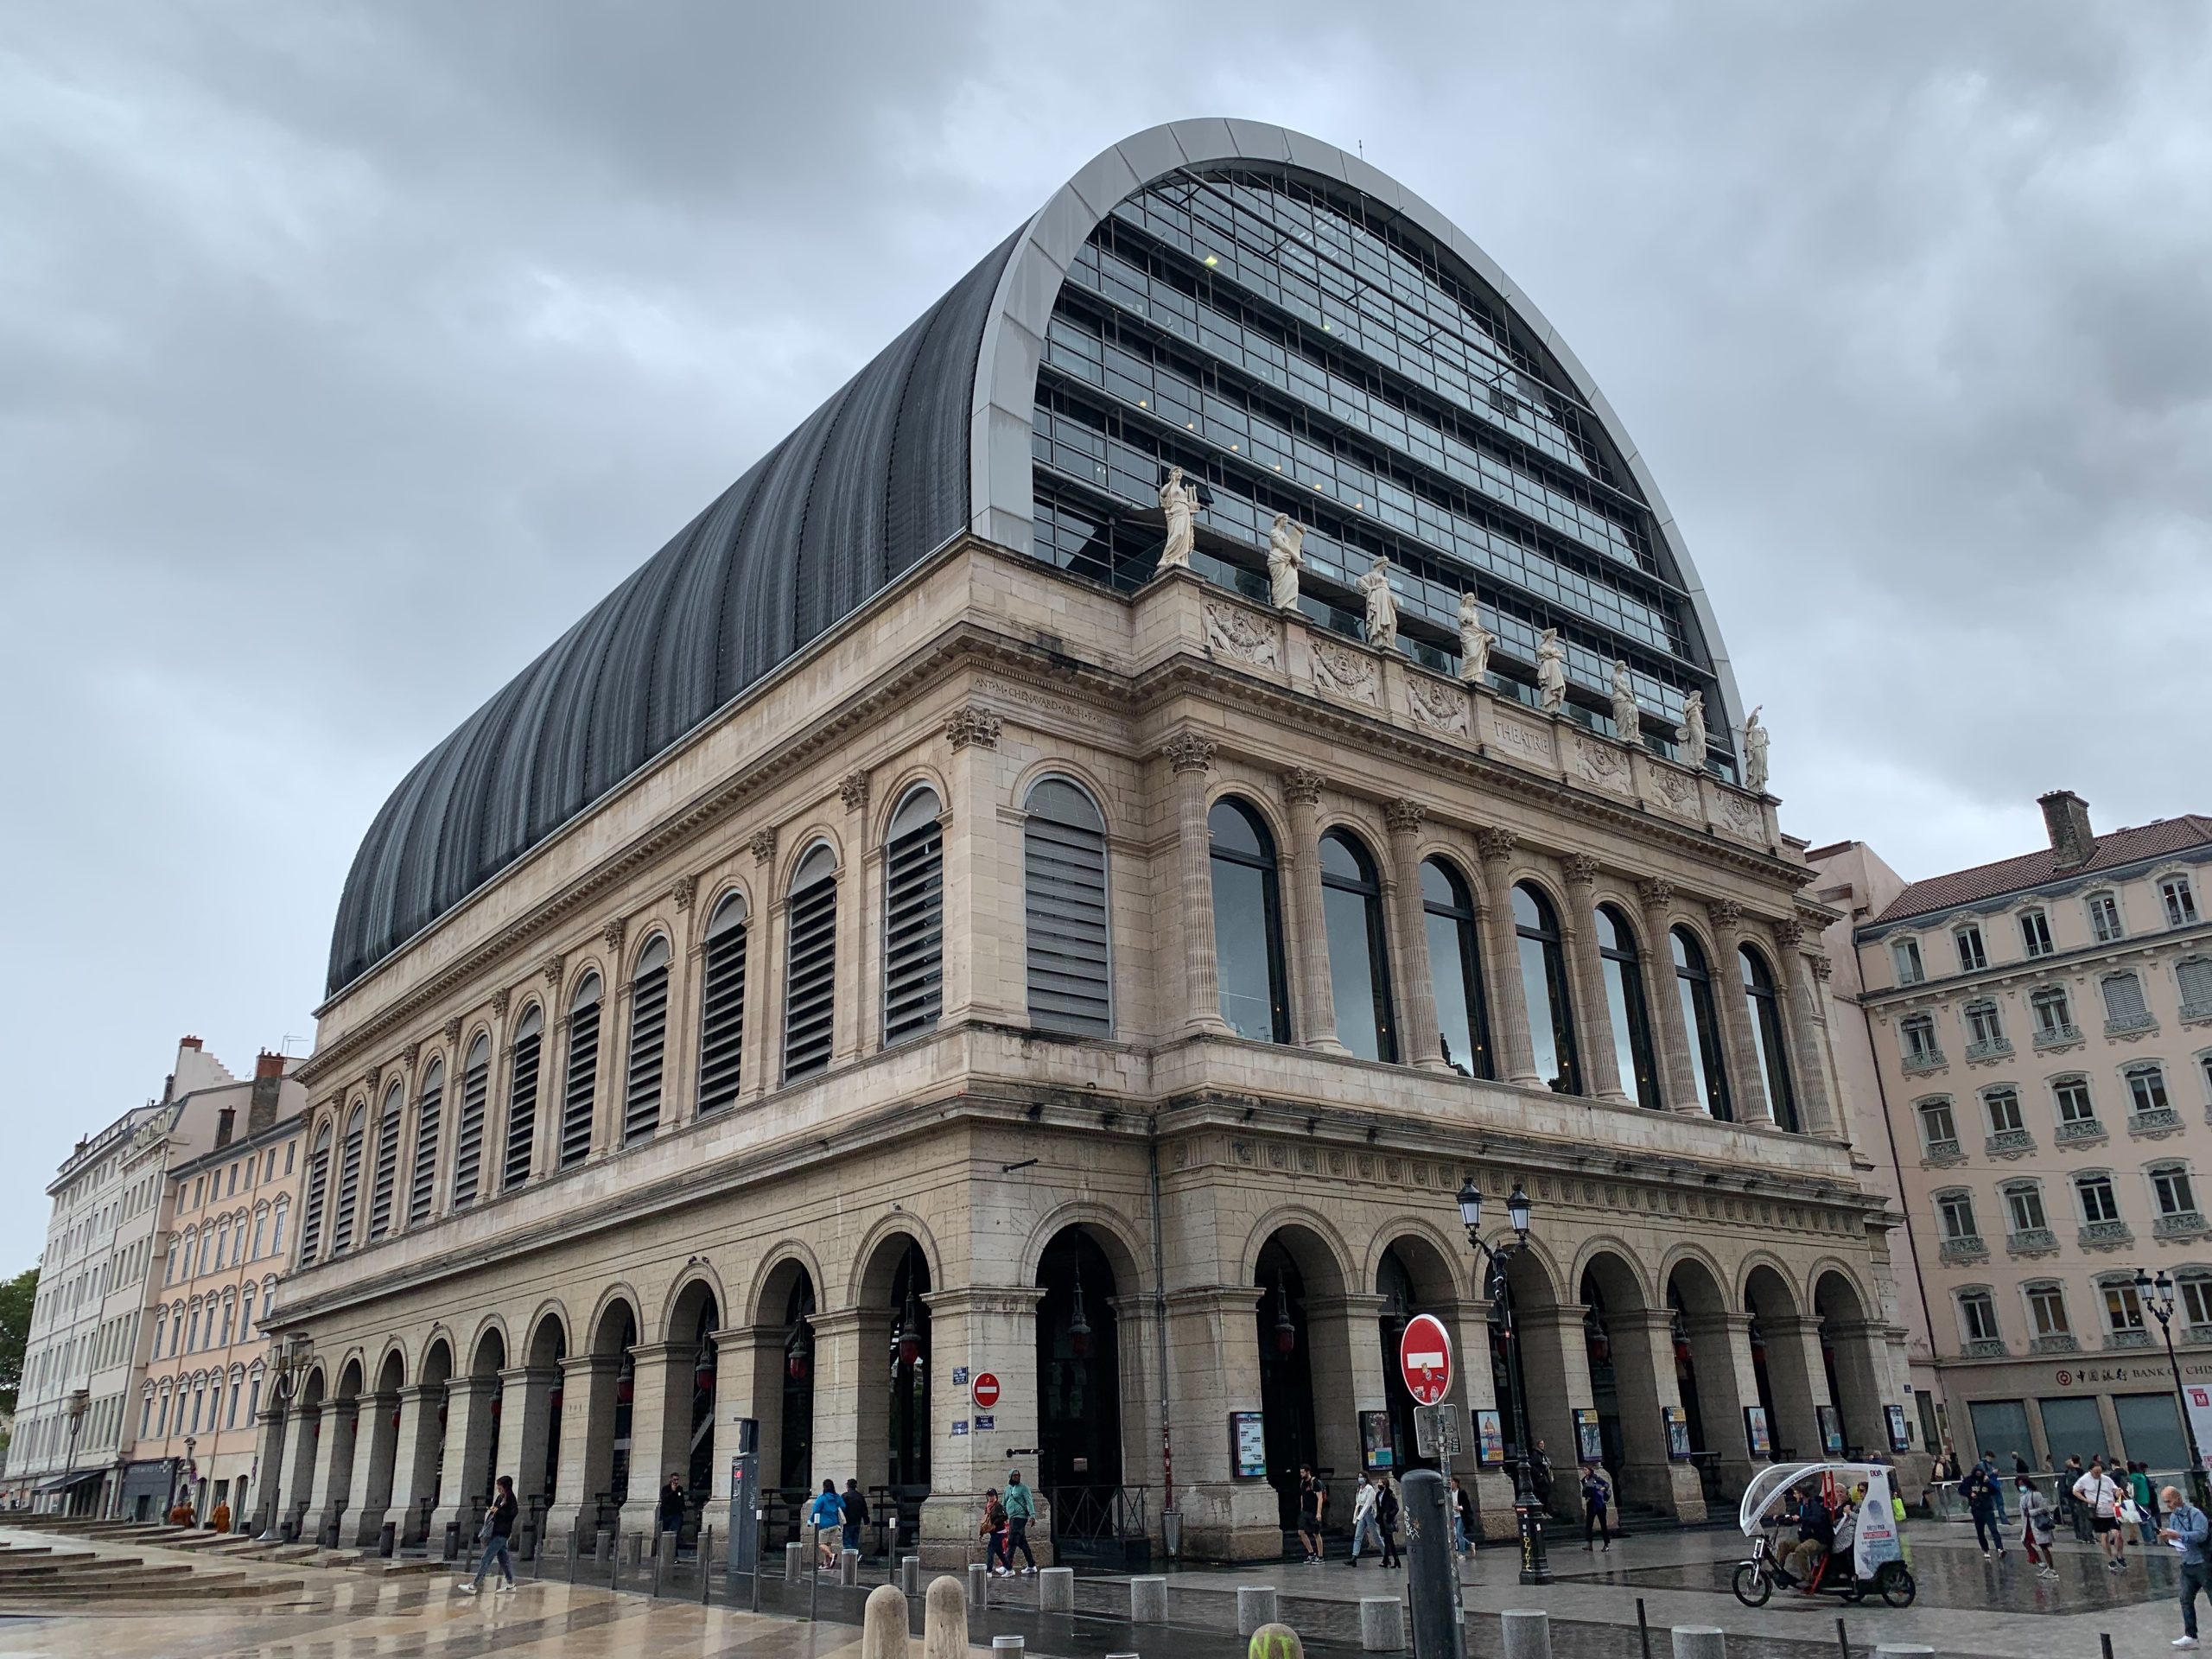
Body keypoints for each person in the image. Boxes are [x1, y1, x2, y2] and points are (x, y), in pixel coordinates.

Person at [2158, 1484, 2210, 1649]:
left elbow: (2201, 1534)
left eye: (2169, 1501)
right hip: (2187, 1564)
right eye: (2165, 1502)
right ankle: (2191, 1636)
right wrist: (2168, 1539)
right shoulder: (2173, 1517)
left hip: (2203, 1563)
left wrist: (2179, 1535)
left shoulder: (2195, 1514)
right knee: (2185, 1600)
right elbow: (2175, 1541)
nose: (2168, 1505)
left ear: (2178, 1498)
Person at [457, 1474, 518, 1595]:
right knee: (503, 1559)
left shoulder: (510, 1498)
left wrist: (499, 1511)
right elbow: (496, 1510)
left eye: (500, 1486)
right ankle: (511, 1584)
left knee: (487, 1557)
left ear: (505, 1486)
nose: (498, 1488)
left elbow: (512, 1514)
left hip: (502, 1532)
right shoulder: (500, 1498)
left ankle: (475, 1585)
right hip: (496, 1531)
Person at [2074, 1455, 2126, 1572]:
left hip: (2110, 1510)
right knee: (2104, 1535)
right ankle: (2110, 1558)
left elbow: (2115, 1491)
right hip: (2098, 1511)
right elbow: (2075, 1490)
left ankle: (2120, 1555)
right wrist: (2086, 1500)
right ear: (2090, 1471)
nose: (2098, 1474)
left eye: (2100, 1472)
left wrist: (2119, 1492)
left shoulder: (2106, 1479)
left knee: (2117, 1534)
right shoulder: (2084, 1479)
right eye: (2096, 1472)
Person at [1785, 1484, 1834, 1590]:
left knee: (1801, 1550)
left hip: (1818, 1539)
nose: (1794, 1495)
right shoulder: (1801, 1506)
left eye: (1796, 1493)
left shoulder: (1814, 1505)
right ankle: (1779, 1571)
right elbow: (1793, 1516)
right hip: (1805, 1538)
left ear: (1802, 1494)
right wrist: (1782, 1518)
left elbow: (1817, 1520)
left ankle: (1807, 1579)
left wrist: (1801, 1519)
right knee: (1784, 1545)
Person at [1961, 1458, 2005, 1560]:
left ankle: (2000, 1548)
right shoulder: (1969, 1481)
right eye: (1978, 1472)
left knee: (1993, 1529)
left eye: (1981, 1472)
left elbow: (1995, 1491)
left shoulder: (1986, 1481)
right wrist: (1969, 1494)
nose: (1979, 1474)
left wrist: (1988, 1482)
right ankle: (1985, 1549)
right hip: (1977, 1509)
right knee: (1980, 1531)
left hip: (1987, 1508)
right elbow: (1962, 1489)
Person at [2019, 1477, 2058, 1581]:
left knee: (2043, 1546)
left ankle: (2051, 1569)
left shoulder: (2036, 1495)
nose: (2020, 1487)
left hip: (2037, 1524)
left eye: (2022, 1484)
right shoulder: (2023, 1497)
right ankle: (2041, 1563)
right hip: (2028, 1525)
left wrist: (2032, 1513)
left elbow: (2044, 1508)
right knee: (2026, 1542)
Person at [1003, 1470, 1038, 1575]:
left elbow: (1029, 1501)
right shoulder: (1007, 1489)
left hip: (1020, 1516)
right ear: (1010, 1477)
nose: (1017, 1477)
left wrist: (1032, 1515)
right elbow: (1004, 1502)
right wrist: (1003, 1515)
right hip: (1012, 1517)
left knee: (1012, 1541)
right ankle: (1031, 1565)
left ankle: (1008, 1568)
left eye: (1018, 1475)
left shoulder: (1024, 1488)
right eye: (1014, 1475)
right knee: (1022, 1542)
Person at [1347, 1471, 1382, 1567]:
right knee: (1358, 1535)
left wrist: (1359, 1516)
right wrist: (1356, 1517)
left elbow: (1368, 1504)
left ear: (1366, 1478)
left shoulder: (1369, 1489)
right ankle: (1354, 1557)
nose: (1360, 1479)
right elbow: (1358, 1503)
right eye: (1359, 1477)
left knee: (1376, 1535)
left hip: (1368, 1513)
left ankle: (1385, 1554)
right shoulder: (1359, 1489)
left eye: (1361, 1477)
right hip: (1361, 1511)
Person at [810, 1478, 844, 1569]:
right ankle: (827, 1564)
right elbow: (843, 1506)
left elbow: (815, 1510)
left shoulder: (822, 1498)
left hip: (824, 1525)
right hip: (834, 1524)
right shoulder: (837, 1497)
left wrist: (811, 1520)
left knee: (820, 1544)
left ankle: (831, 1555)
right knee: (828, 1544)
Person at [1297, 1465, 1326, 1566]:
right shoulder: (1302, 1483)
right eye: (1301, 1472)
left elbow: (1320, 1498)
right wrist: (1302, 1509)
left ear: (1308, 1472)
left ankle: (1321, 1556)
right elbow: (1302, 1496)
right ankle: (1311, 1553)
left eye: (1303, 1472)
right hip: (1305, 1511)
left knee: (1316, 1533)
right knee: (1301, 1531)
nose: (1301, 1474)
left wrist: (1319, 1513)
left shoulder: (1315, 1482)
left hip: (1314, 1511)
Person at [1580, 1464, 1611, 1553]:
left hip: (1599, 1504)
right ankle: (1589, 1544)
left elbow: (1606, 1484)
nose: (1584, 1471)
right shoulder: (1584, 1480)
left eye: (1585, 1469)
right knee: (1589, 1524)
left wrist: (1603, 1488)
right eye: (1583, 1470)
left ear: (1590, 1470)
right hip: (1590, 1504)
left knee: (1603, 1524)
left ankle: (1606, 1544)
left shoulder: (1596, 1478)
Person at [981, 1488, 1010, 1575]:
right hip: (993, 1533)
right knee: (999, 1552)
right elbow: (985, 1521)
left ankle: (989, 1571)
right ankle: (1009, 1569)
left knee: (990, 1550)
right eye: (989, 1496)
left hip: (999, 1532)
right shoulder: (987, 1506)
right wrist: (981, 1534)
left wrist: (995, 1524)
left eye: (992, 1495)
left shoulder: (998, 1506)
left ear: (996, 1496)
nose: (990, 1498)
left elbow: (1005, 1516)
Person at [1376, 1474, 1402, 1569]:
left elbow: (1396, 1508)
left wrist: (1390, 1516)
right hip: (1382, 1520)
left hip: (1388, 1520)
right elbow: (1379, 1508)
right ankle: (1394, 1560)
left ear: (1385, 1484)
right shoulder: (1378, 1495)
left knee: (1388, 1541)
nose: (1378, 1484)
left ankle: (1387, 1560)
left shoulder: (1390, 1494)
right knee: (1389, 1541)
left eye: (1380, 1483)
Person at [2133, 1463, 2160, 1548]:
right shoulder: (2142, 1477)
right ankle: (2154, 1536)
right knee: (2150, 1519)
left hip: (2139, 1501)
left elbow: (2134, 1492)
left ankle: (2148, 1539)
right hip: (2147, 1500)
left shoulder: (2133, 1478)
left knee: (2144, 1522)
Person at [1450, 1475, 1476, 1557]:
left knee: (1459, 1534)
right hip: (1454, 1516)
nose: (1451, 1483)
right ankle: (1470, 1544)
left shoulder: (1462, 1492)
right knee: (1456, 1534)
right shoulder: (1449, 1493)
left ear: (1456, 1483)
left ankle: (1462, 1553)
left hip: (1461, 1516)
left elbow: (1467, 1504)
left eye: (1452, 1481)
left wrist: (1460, 1508)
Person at [842, 1480, 869, 1558]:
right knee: (854, 1541)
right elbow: (864, 1510)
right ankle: (855, 1556)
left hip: (847, 1522)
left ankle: (853, 1557)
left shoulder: (845, 1496)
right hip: (857, 1521)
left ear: (848, 1486)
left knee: (847, 1542)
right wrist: (867, 1522)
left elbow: (841, 1509)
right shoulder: (860, 1496)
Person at [658, 1472, 685, 1536]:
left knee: (675, 1531)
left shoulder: (679, 1489)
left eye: (677, 1480)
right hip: (666, 1513)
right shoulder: (665, 1488)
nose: (676, 1482)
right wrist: (672, 1491)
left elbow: (681, 1499)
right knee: (665, 1531)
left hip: (676, 1513)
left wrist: (683, 1508)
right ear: (671, 1479)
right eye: (674, 1480)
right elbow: (664, 1499)